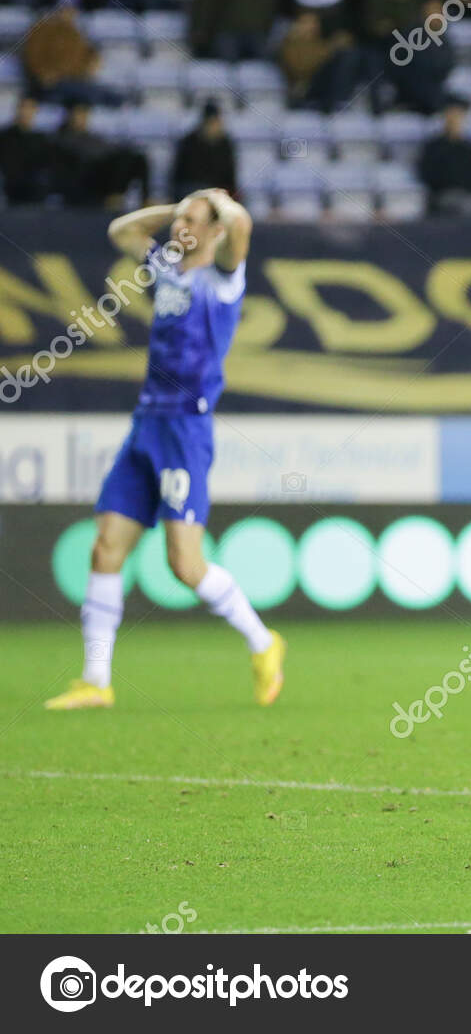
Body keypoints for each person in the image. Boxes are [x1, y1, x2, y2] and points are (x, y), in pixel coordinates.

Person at [46, 190, 285, 710]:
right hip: (147, 424)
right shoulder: (168, 267)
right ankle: (96, 681)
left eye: (193, 224)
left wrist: (214, 207)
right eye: (178, 223)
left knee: (185, 564)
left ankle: (264, 642)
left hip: (185, 429)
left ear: (216, 231)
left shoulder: (223, 281)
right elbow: (122, 231)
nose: (180, 231)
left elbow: (241, 226)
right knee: (106, 546)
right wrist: (182, 210)